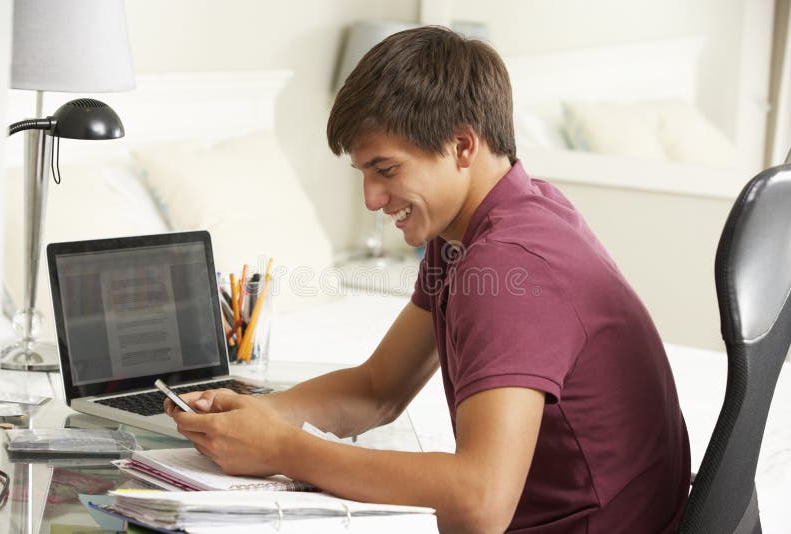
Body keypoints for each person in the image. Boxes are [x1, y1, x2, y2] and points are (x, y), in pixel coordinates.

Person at [166, 26, 691, 533]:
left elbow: (480, 503)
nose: (371, 199)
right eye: (364, 175)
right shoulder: (481, 227)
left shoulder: (508, 261)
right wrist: (255, 416)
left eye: (386, 170)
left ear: (463, 146)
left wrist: (284, 450)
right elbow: (379, 389)